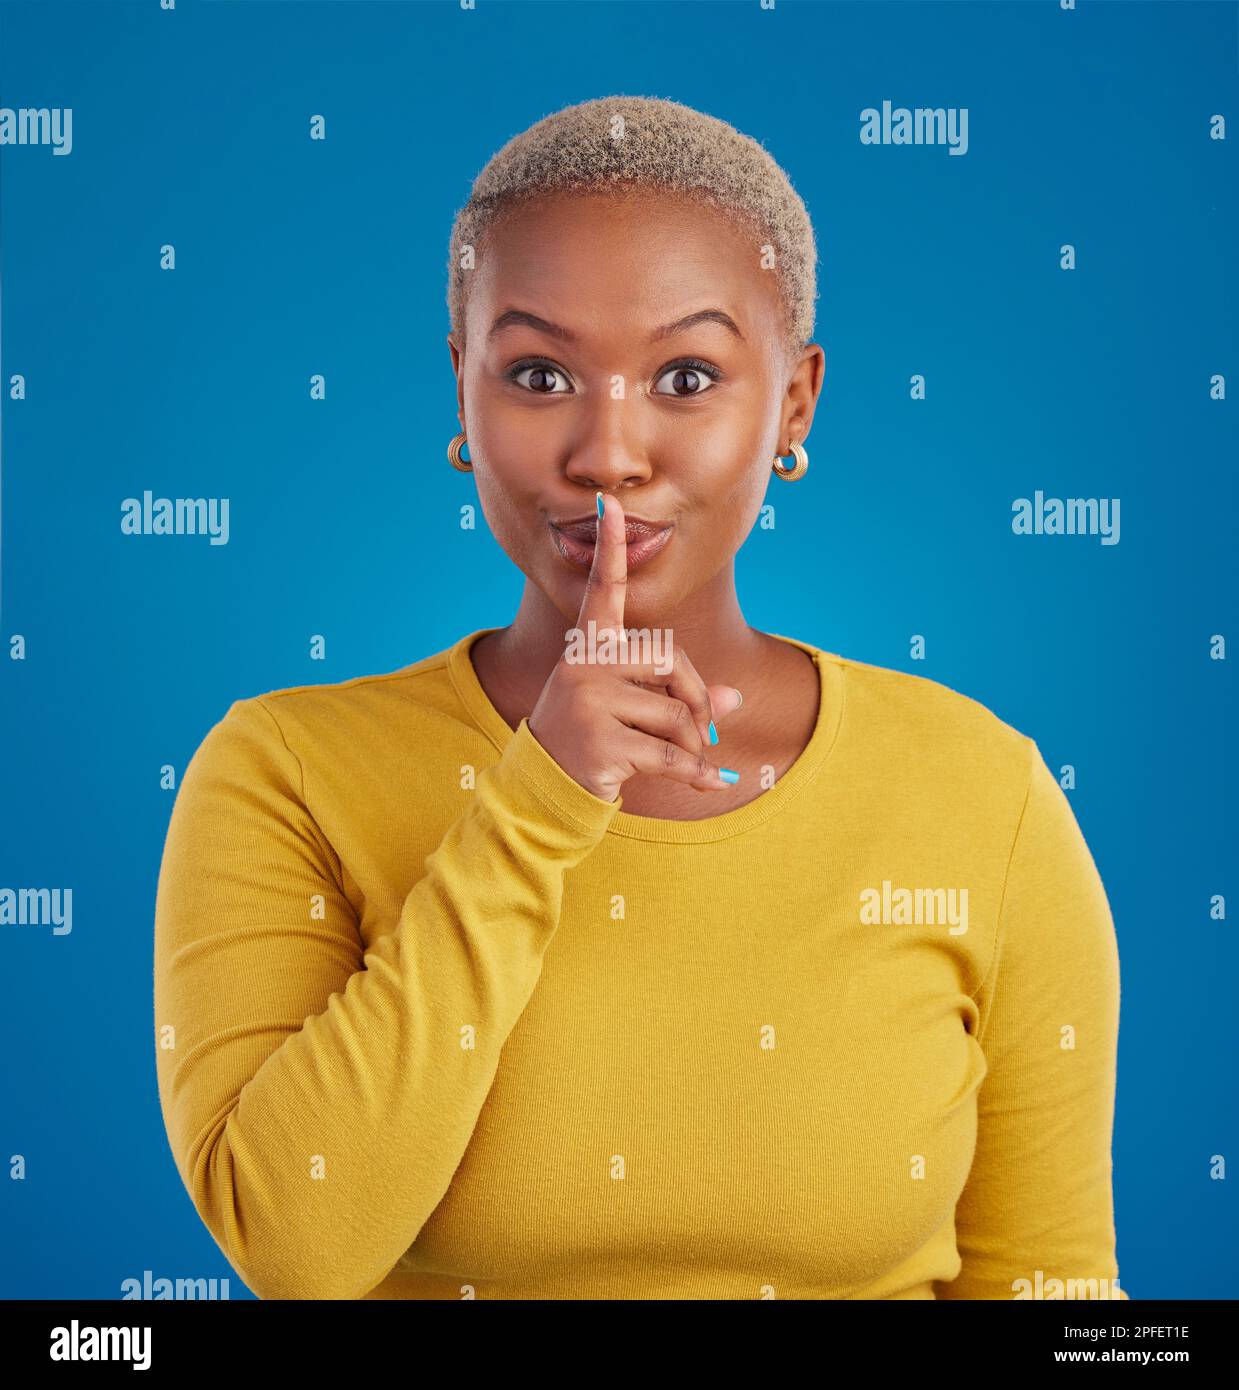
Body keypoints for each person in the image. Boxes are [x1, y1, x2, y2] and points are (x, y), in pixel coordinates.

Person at [153, 95, 1126, 1301]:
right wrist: (539, 802)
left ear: (796, 406)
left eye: (685, 374)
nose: (609, 452)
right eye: (540, 371)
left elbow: (1059, 1293)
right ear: (463, 390)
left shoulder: (984, 795)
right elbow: (294, 1249)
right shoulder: (286, 770)